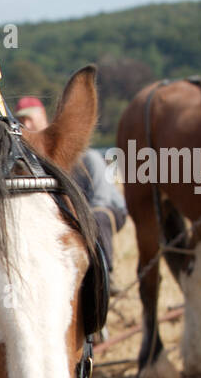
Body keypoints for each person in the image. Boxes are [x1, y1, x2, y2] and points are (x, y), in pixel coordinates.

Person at [14, 95, 125, 273]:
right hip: (72, 217)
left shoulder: (88, 158)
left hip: (106, 211)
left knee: (99, 217)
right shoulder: (28, 162)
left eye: (29, 119)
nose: (26, 125)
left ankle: (104, 273)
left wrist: (78, 218)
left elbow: (102, 198)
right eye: (21, 120)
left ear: (43, 116)